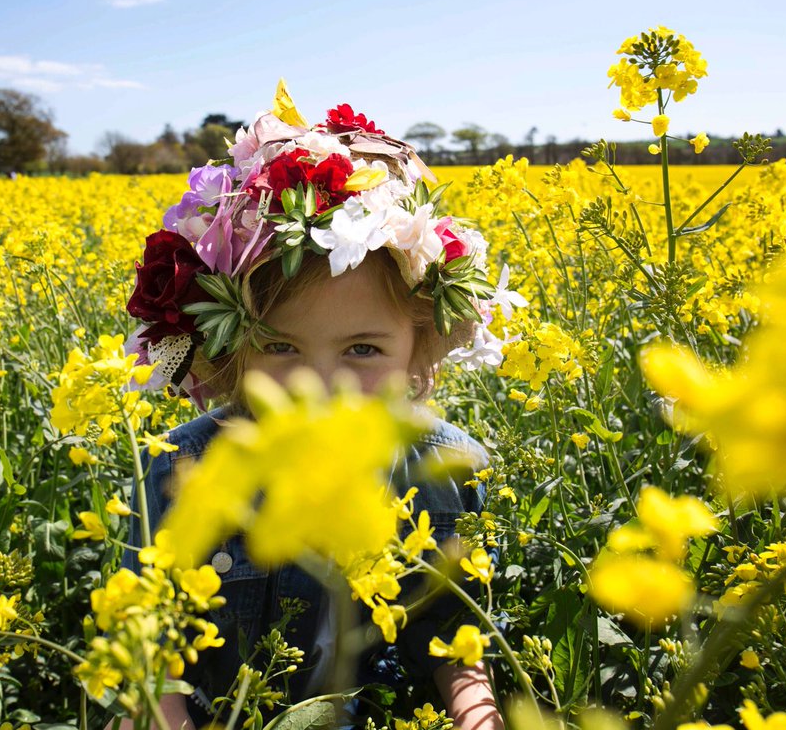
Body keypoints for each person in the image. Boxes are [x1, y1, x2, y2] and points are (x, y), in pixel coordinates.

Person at [112, 84, 518, 730]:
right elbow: (151, 652)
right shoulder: (175, 468)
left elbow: (451, 632)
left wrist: (476, 713)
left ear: (418, 351)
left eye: (362, 348)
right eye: (280, 345)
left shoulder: (445, 465)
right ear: (229, 347)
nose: (317, 385)